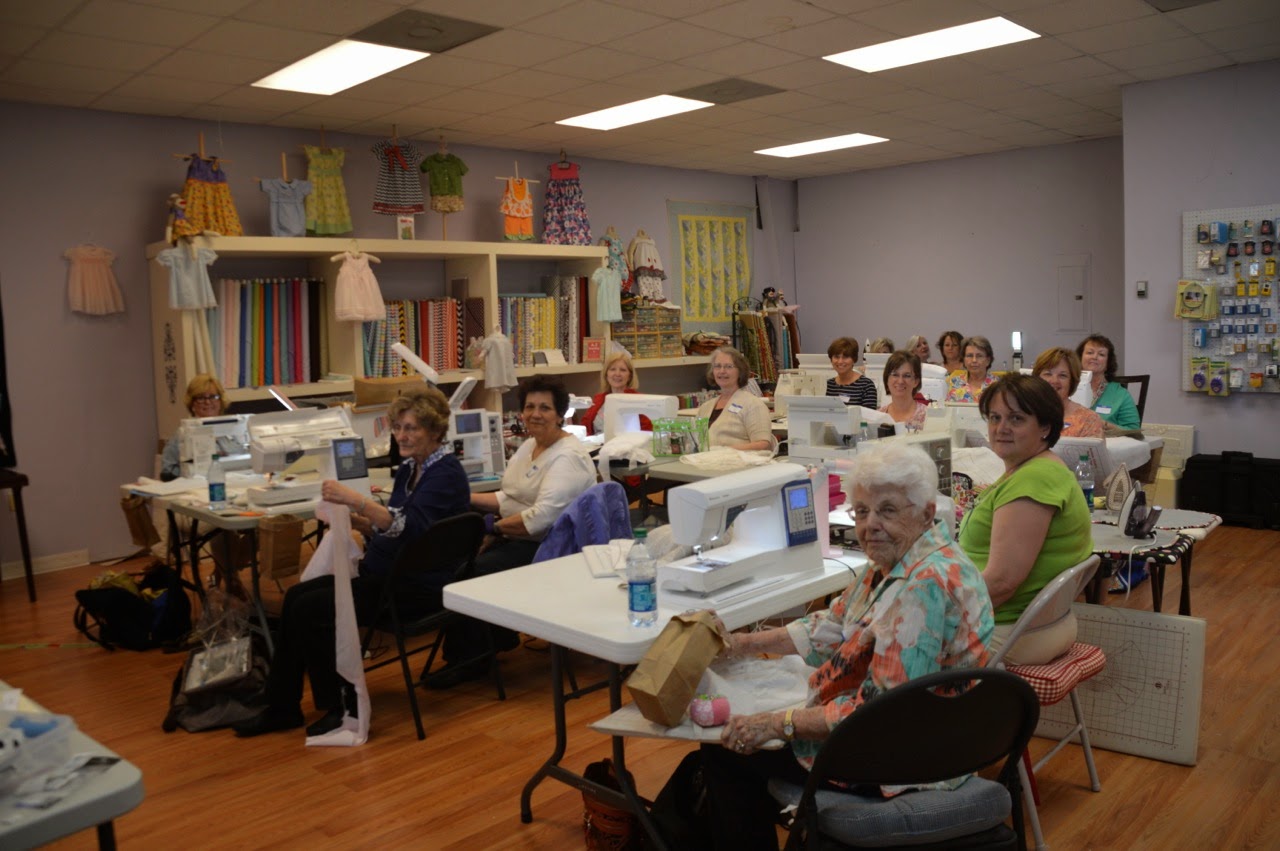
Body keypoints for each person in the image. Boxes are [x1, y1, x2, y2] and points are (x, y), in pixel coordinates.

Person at [693, 443, 994, 849]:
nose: (870, 525)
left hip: (912, 756)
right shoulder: (900, 563)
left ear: (924, 513)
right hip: (932, 731)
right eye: (862, 511)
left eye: (887, 510)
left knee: (727, 753)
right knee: (737, 743)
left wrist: (778, 722)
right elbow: (830, 628)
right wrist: (739, 644)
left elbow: (880, 713)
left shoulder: (920, 587)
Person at [234, 386, 471, 737]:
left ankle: (341, 708)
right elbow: (401, 527)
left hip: (417, 588)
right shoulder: (411, 469)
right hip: (396, 574)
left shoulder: (446, 474)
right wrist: (366, 524)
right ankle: (281, 703)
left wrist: (359, 504)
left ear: (435, 432)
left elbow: (412, 528)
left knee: (312, 608)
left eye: (411, 428)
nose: (401, 436)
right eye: (398, 427)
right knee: (297, 598)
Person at [432, 375, 598, 687]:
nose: (536, 413)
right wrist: (460, 496)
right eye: (530, 406)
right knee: (455, 554)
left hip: (551, 548)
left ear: (560, 413)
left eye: (545, 408)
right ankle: (494, 637)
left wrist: (489, 528)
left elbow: (540, 518)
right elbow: (508, 497)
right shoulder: (529, 447)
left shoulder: (568, 457)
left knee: (468, 573)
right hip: (521, 537)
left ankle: (470, 659)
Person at [957, 374, 1093, 666]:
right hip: (1036, 625)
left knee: (875, 647)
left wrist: (936, 611)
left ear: (1045, 427)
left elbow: (1002, 582)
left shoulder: (1033, 480)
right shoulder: (1037, 469)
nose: (1001, 429)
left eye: (1016, 419)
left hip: (1007, 631)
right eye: (994, 417)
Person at [160, 373, 240, 481]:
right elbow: (166, 472)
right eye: (201, 398)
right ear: (192, 404)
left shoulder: (235, 430)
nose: (207, 402)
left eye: (213, 397)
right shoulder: (181, 435)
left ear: (221, 401)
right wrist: (192, 465)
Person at [696, 346, 775, 451]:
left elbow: (763, 444)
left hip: (741, 464)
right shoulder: (705, 407)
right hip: (707, 463)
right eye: (717, 366)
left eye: (728, 366)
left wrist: (725, 451)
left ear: (740, 371)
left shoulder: (753, 404)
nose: (722, 371)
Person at [1034, 347, 1104, 438]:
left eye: (1062, 375)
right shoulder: (1024, 413)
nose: (1054, 381)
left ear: (1072, 382)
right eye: (1048, 374)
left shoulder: (1088, 420)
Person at [1076, 334, 1140, 430]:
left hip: (1108, 443)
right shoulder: (1067, 387)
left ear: (1108, 363)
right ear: (1079, 358)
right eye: (1090, 352)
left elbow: (1134, 430)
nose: (1095, 357)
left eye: (1101, 354)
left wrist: (1105, 425)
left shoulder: (1120, 394)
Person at [580, 351, 648, 436]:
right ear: (606, 374)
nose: (617, 374)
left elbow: (647, 433)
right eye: (612, 369)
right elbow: (585, 428)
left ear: (630, 375)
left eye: (623, 370)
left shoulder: (639, 401)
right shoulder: (598, 400)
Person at [879, 350, 928, 431]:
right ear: (887, 379)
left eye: (907, 376)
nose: (900, 381)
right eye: (895, 375)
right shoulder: (878, 417)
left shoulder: (927, 416)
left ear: (916, 381)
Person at [823, 337, 877, 408]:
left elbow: (869, 417)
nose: (840, 361)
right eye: (836, 357)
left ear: (854, 359)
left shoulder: (866, 386)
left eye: (845, 357)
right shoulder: (828, 386)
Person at [945, 335, 996, 402]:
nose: (974, 360)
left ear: (988, 360)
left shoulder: (998, 386)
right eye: (969, 356)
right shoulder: (953, 383)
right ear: (964, 360)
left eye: (979, 356)